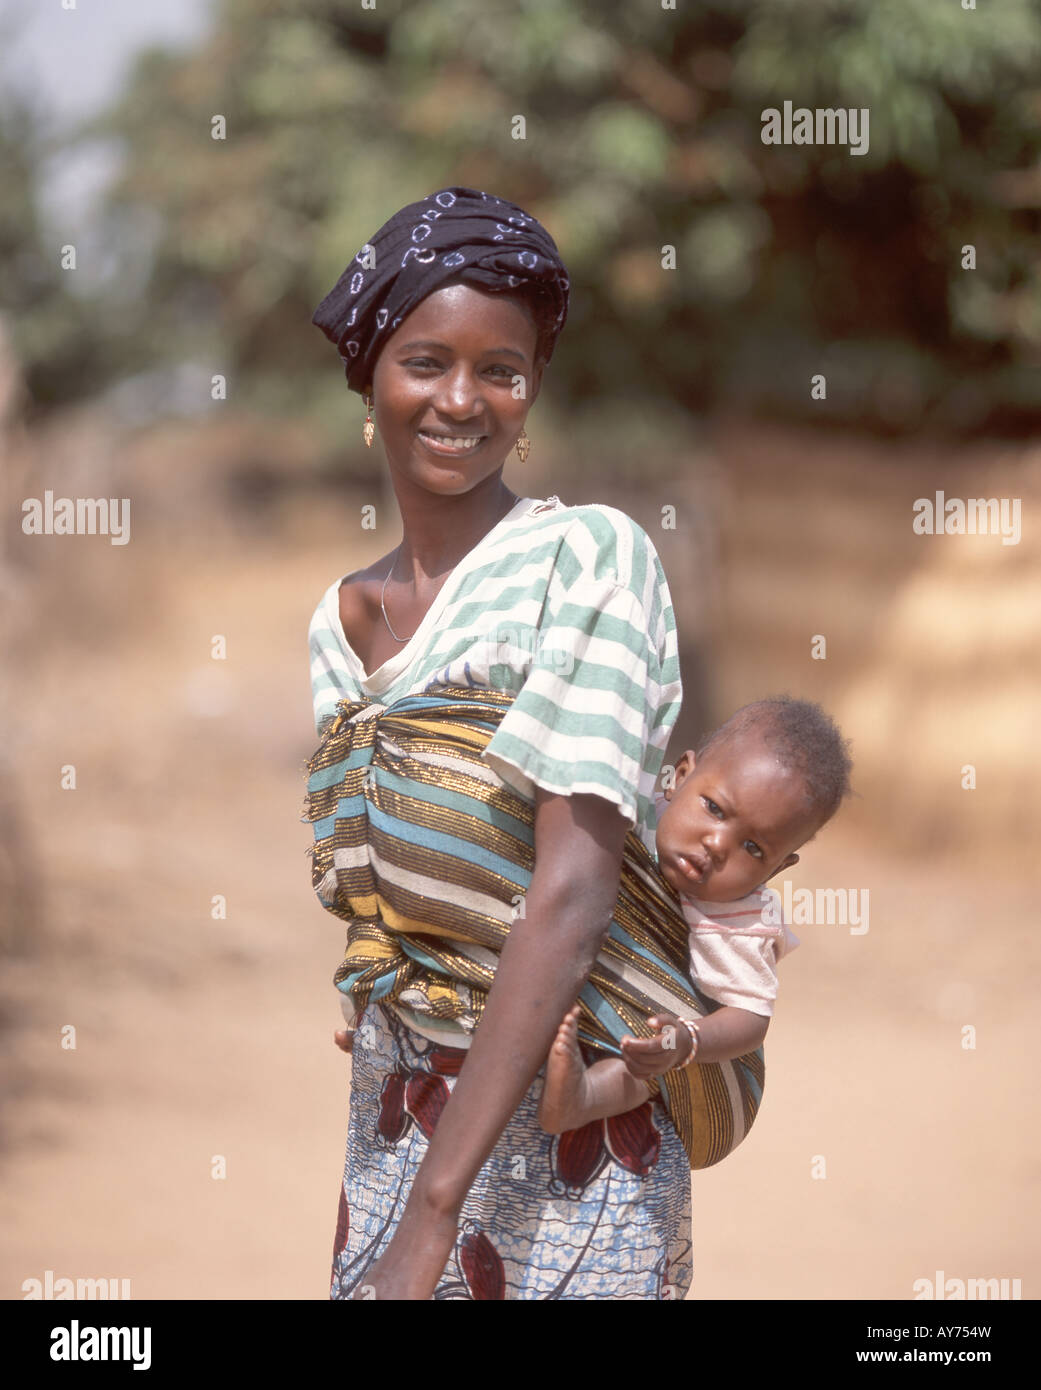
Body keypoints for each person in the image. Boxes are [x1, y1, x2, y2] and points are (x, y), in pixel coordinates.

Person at [305, 186, 753, 1301]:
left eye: (500, 370)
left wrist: (433, 1214)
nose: (461, 400)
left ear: (532, 391)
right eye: (425, 360)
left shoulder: (587, 560)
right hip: (396, 1115)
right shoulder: (338, 619)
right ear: (369, 375)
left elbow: (573, 887)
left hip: (564, 1138)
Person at [538, 696, 854, 1133]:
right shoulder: (625, 802)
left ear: (777, 870)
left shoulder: (738, 916)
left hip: (635, 1039)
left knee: (648, 1071)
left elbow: (751, 1015)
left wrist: (687, 1039)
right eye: (715, 809)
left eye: (754, 848)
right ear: (680, 777)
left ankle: (582, 1098)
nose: (718, 844)